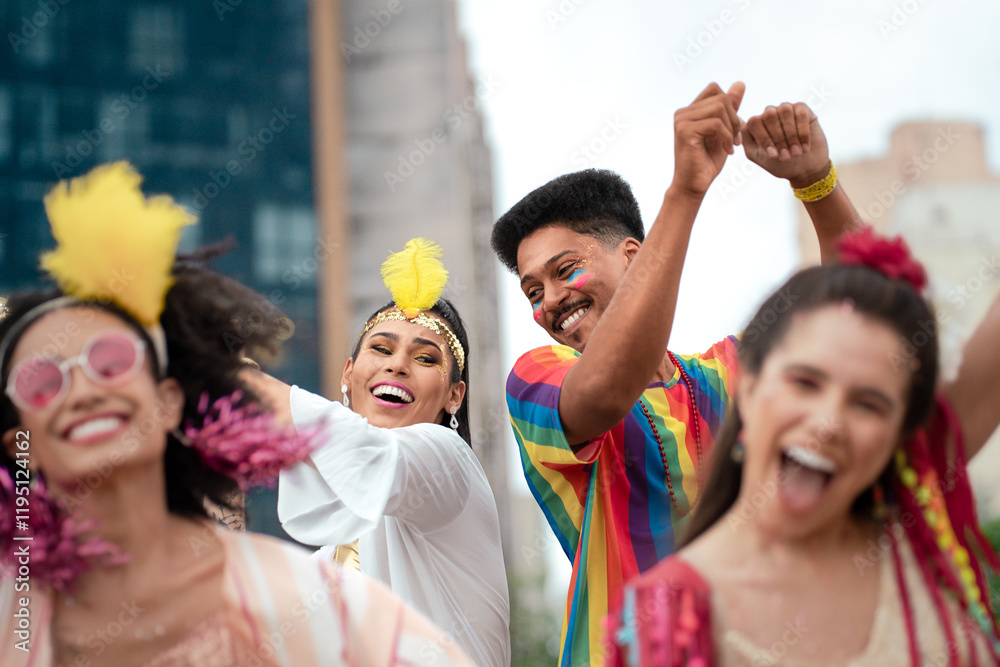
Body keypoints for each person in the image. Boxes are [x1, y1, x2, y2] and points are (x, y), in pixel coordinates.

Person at [0, 163, 473, 666]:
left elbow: (352, 449)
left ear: (169, 399)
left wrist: (193, 347)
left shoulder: (440, 468)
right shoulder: (18, 602)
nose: (84, 388)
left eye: (111, 360)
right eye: (42, 380)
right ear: (17, 441)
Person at [491, 82, 865, 666]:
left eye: (566, 271)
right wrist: (685, 190)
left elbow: (859, 317)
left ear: (634, 257)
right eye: (532, 292)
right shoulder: (535, 378)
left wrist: (814, 183)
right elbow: (608, 390)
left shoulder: (730, 372)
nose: (549, 304)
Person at [608, 227, 1000, 665]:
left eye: (869, 404)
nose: (829, 423)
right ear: (750, 386)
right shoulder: (666, 621)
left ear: (900, 433)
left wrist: (816, 181)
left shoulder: (916, 530)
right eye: (805, 383)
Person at [247, 238, 511, 667]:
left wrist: (235, 379)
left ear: (454, 397)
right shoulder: (323, 566)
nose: (397, 365)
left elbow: (366, 454)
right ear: (348, 375)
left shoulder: (449, 464)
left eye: (425, 359)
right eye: (382, 349)